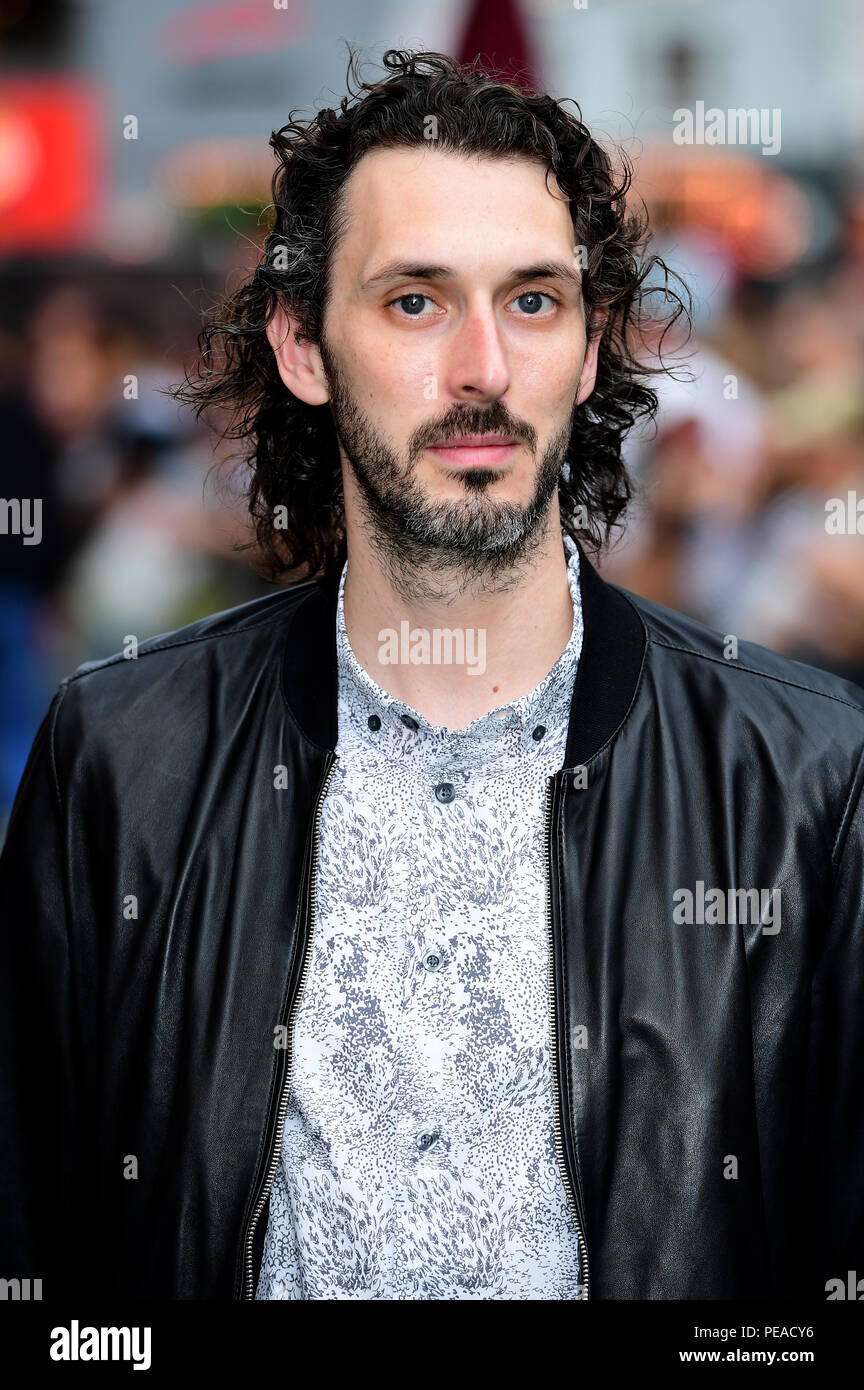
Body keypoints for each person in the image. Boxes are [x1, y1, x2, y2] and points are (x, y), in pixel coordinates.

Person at [1, 49, 862, 1302]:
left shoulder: (809, 778)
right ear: (303, 344)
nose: (484, 370)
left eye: (532, 302)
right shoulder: (123, 757)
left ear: (585, 349)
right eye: (415, 301)